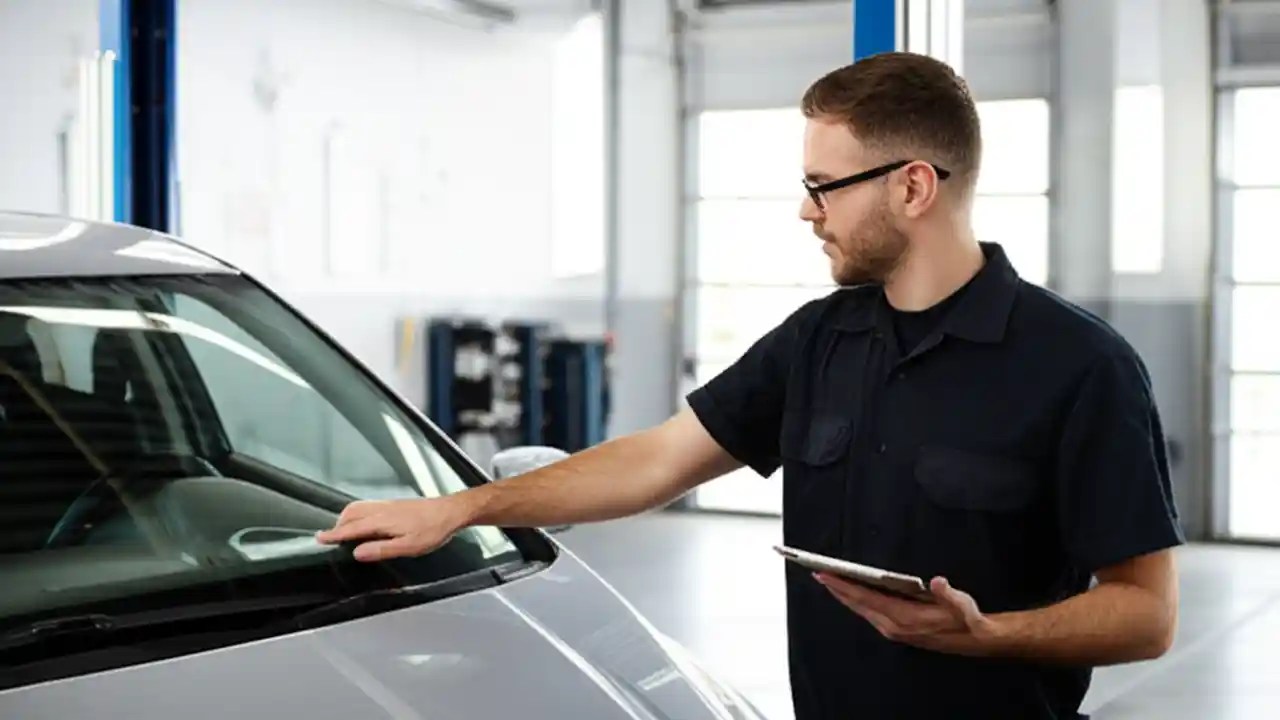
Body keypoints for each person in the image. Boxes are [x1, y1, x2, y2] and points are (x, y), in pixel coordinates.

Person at [317, 52, 1183, 719]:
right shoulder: (818, 341)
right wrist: (463, 507)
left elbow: (1145, 615)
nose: (808, 212)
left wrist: (992, 637)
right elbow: (657, 460)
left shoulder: (1081, 367)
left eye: (823, 188)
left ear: (913, 186)